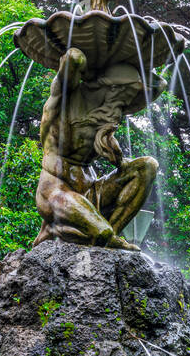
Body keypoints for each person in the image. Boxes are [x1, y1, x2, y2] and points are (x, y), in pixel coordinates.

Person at [33, 47, 157, 250]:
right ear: (112, 89)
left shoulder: (104, 118)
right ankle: (94, 233)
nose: (127, 104)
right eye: (125, 96)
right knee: (101, 231)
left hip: (91, 190)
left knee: (147, 167)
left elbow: (157, 85)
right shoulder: (63, 101)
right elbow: (73, 58)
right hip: (56, 190)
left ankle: (109, 237)